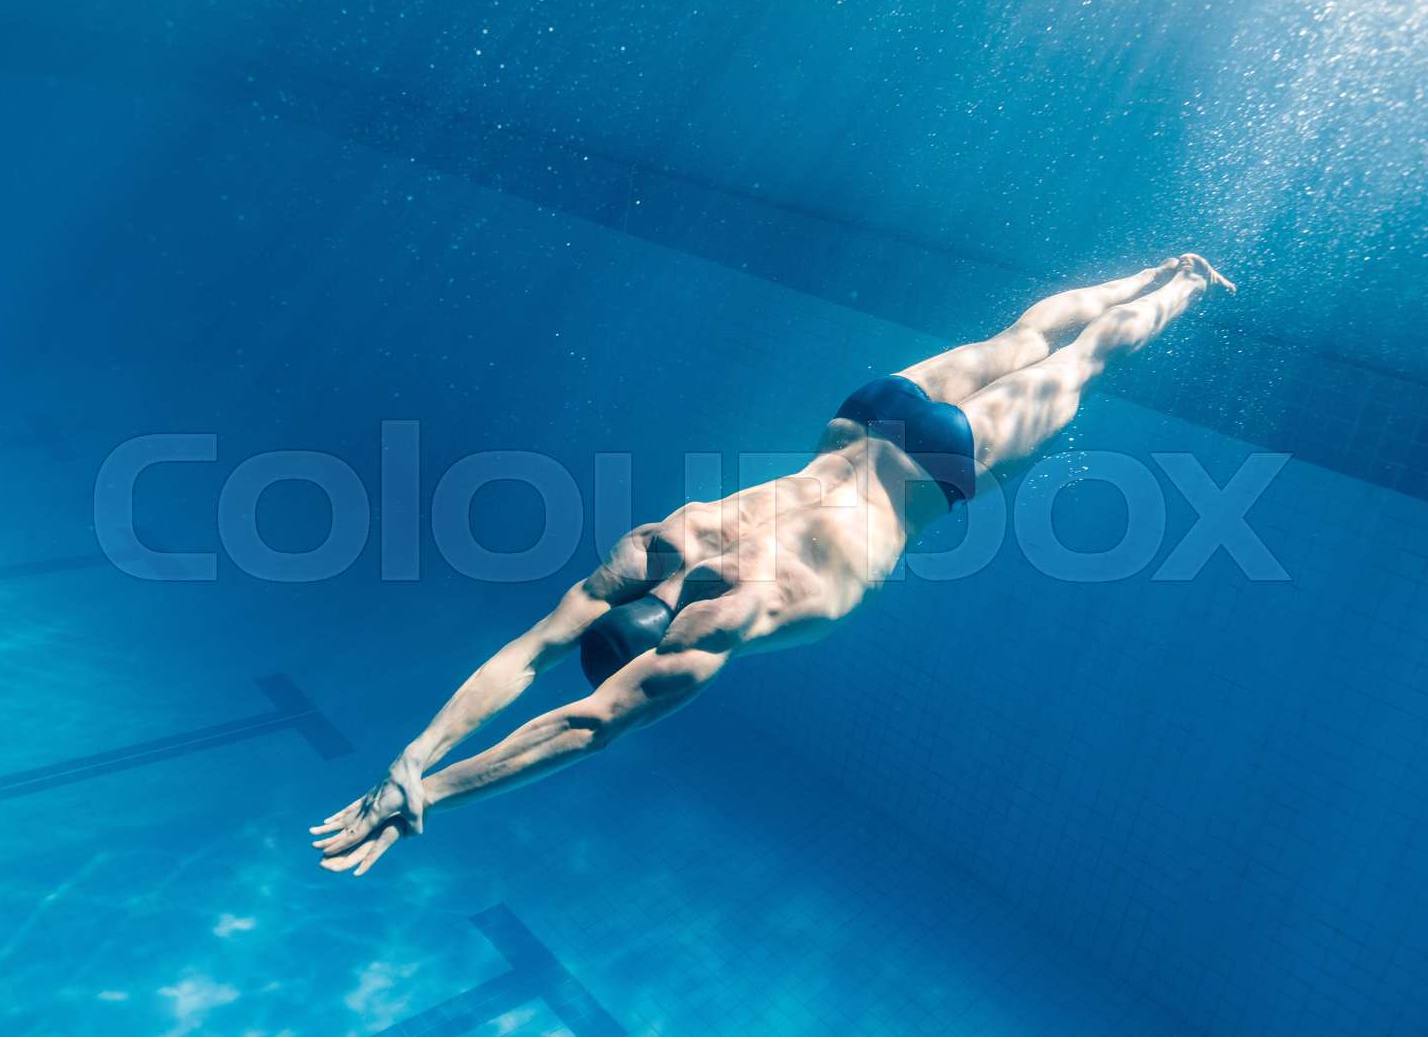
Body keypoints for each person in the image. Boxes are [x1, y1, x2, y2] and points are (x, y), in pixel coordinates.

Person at [311, 253, 1235, 875]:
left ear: (653, 643)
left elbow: (584, 725)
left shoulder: (728, 618)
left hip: (935, 470)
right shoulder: (660, 541)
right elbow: (528, 653)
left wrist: (428, 787)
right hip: (867, 415)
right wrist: (414, 752)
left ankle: (1182, 289)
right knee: (1021, 339)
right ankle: (1159, 268)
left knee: (1086, 363)